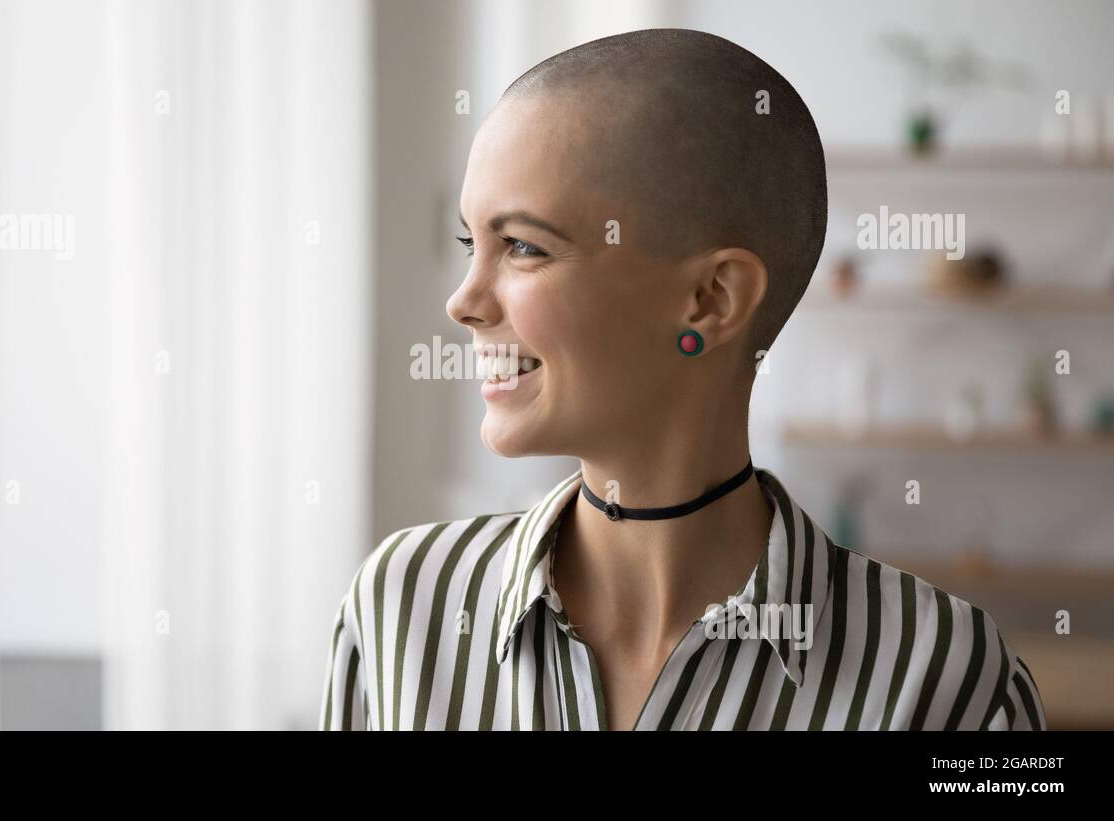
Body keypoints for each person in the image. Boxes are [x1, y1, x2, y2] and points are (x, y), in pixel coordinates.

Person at [320, 28, 1045, 731]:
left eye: (521, 246)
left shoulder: (946, 681)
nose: (463, 302)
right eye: (467, 242)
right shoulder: (400, 609)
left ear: (712, 300)